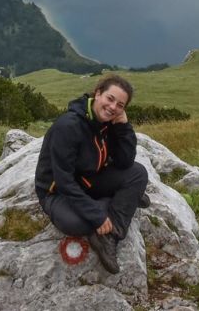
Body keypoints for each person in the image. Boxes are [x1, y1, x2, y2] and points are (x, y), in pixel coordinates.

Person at [34, 74, 149, 273]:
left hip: (89, 181)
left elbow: (125, 162)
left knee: (138, 173)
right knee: (76, 223)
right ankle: (123, 201)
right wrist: (96, 215)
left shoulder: (108, 123)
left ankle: (110, 236)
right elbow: (64, 181)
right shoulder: (68, 126)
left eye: (120, 105)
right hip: (57, 192)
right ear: (97, 94)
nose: (112, 107)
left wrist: (123, 127)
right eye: (110, 99)